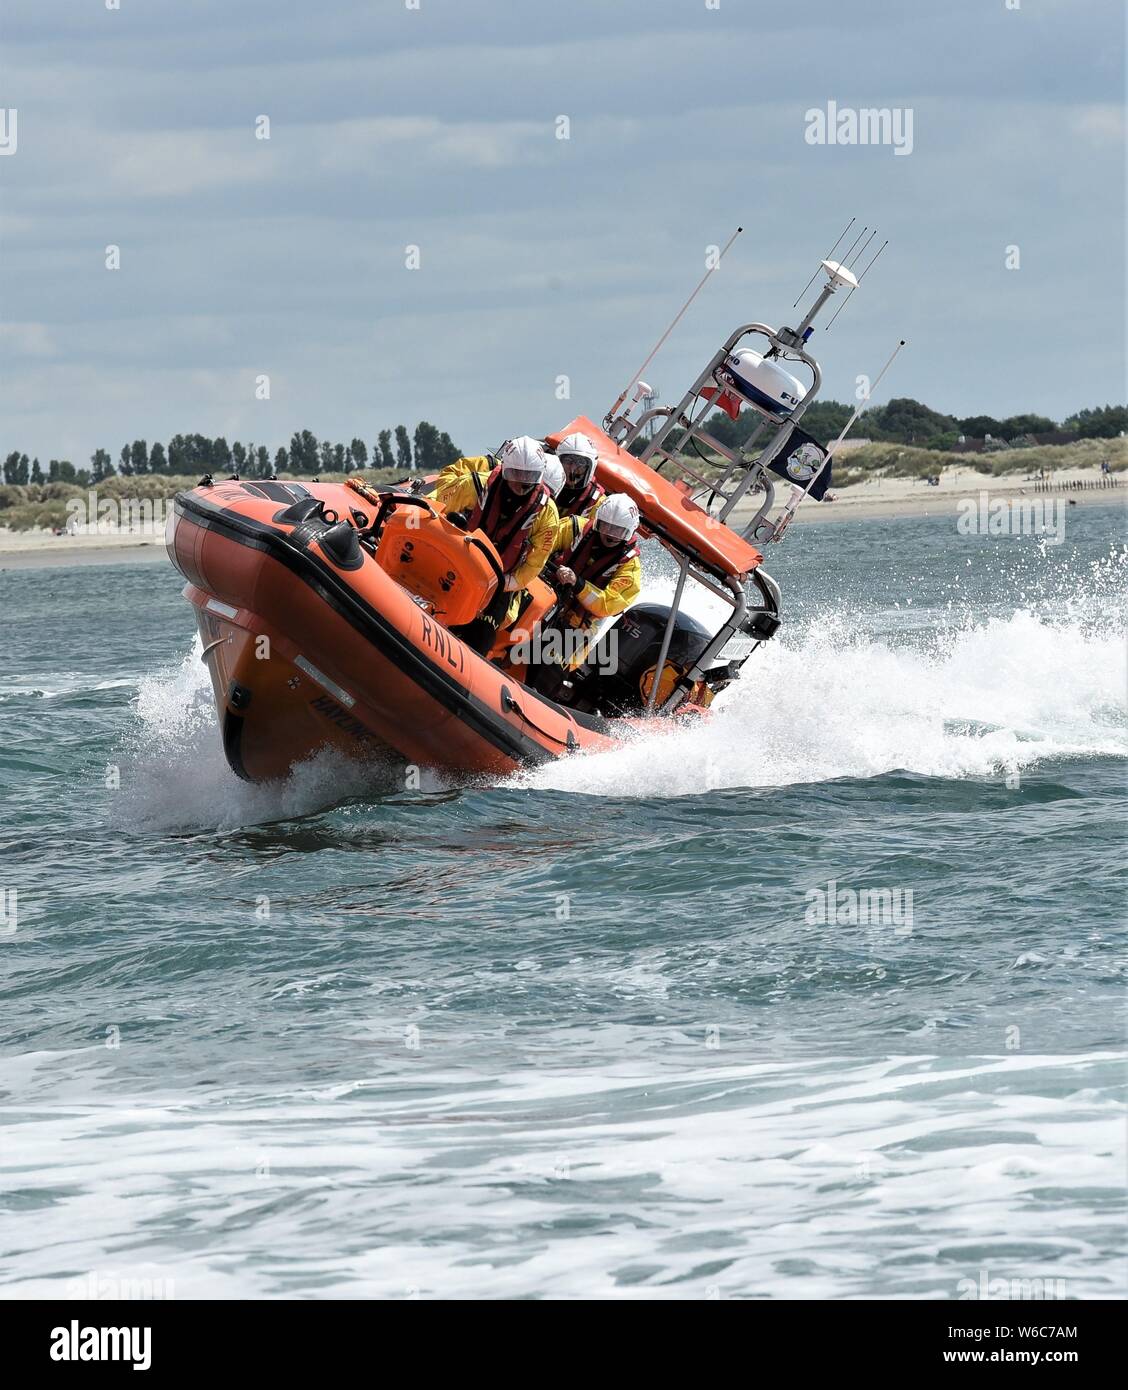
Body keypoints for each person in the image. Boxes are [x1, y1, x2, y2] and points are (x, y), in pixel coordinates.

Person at [433, 436, 560, 654]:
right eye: (515, 474)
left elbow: (535, 562)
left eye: (529, 477)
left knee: (482, 636)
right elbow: (437, 506)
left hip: (501, 583)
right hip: (458, 559)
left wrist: (505, 582)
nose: (521, 483)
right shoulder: (476, 484)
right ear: (504, 469)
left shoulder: (547, 515)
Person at [541, 493, 642, 676]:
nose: (609, 534)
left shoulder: (630, 567)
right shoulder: (574, 527)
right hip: (546, 598)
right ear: (597, 521)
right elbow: (541, 543)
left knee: (550, 670)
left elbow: (607, 604)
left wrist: (577, 583)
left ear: (629, 532)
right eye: (606, 526)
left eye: (617, 530)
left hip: (578, 628)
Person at [552, 433, 605, 518]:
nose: (573, 468)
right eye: (568, 460)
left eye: (581, 462)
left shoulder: (599, 504)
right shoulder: (544, 485)